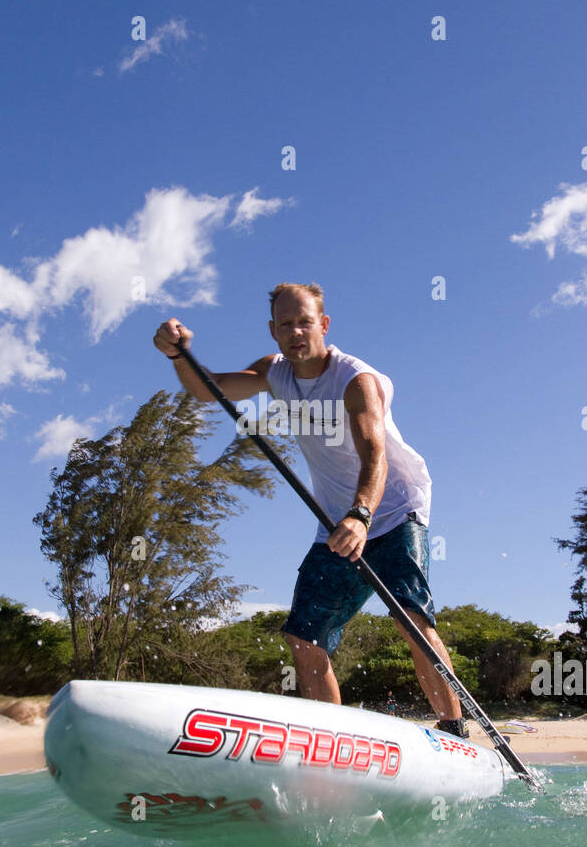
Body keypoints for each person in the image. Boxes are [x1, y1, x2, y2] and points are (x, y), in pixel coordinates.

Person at [153, 281, 468, 737]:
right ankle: (332, 737)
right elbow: (210, 390)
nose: (296, 332)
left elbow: (374, 454)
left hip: (393, 508)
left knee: (410, 618)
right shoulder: (275, 372)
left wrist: (361, 516)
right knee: (304, 636)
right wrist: (179, 356)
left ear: (323, 324)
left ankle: (454, 728)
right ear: (273, 331)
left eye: (304, 322)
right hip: (333, 523)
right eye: (286, 325)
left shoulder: (356, 380)